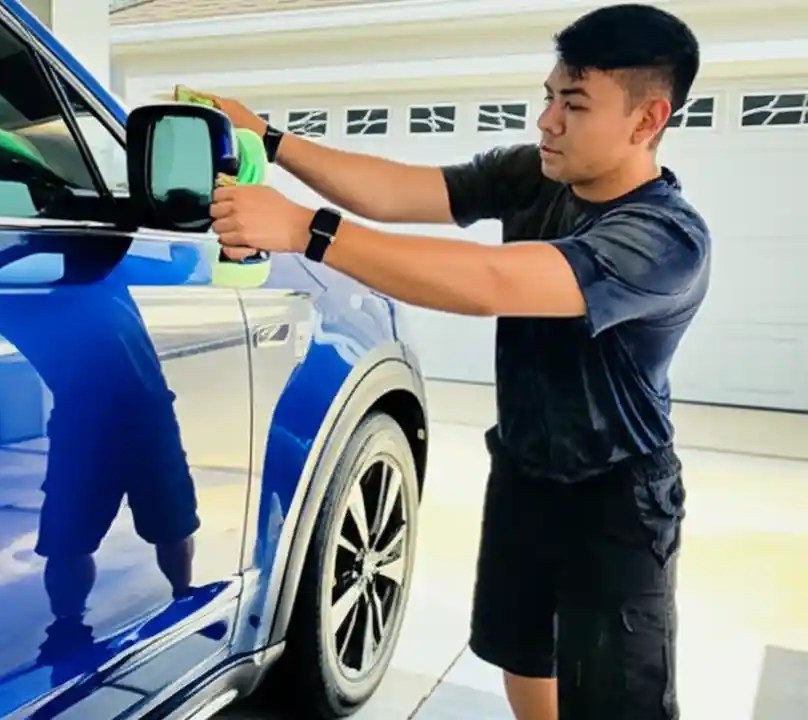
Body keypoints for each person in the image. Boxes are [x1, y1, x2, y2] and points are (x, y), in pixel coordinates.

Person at [199, 4, 708, 719]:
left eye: (575, 104)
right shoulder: (535, 176)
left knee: (619, 701)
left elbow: (491, 282)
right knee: (523, 652)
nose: (547, 122)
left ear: (647, 119)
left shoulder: (664, 239)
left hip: (616, 498)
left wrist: (304, 230)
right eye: (549, 97)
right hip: (526, 468)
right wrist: (271, 139)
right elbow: (400, 190)